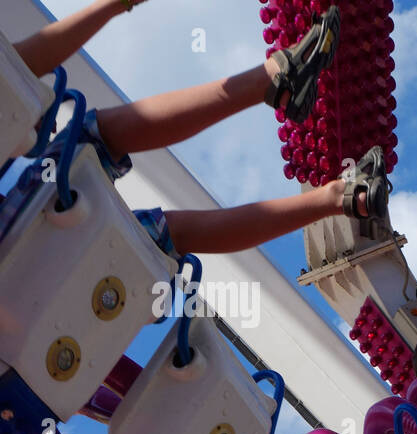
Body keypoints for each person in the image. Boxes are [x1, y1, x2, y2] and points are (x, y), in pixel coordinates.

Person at [3, 3, 388, 256]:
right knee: (96, 137)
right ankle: (273, 82)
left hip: (45, 281)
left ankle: (340, 197)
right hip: (20, 248)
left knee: (170, 233)